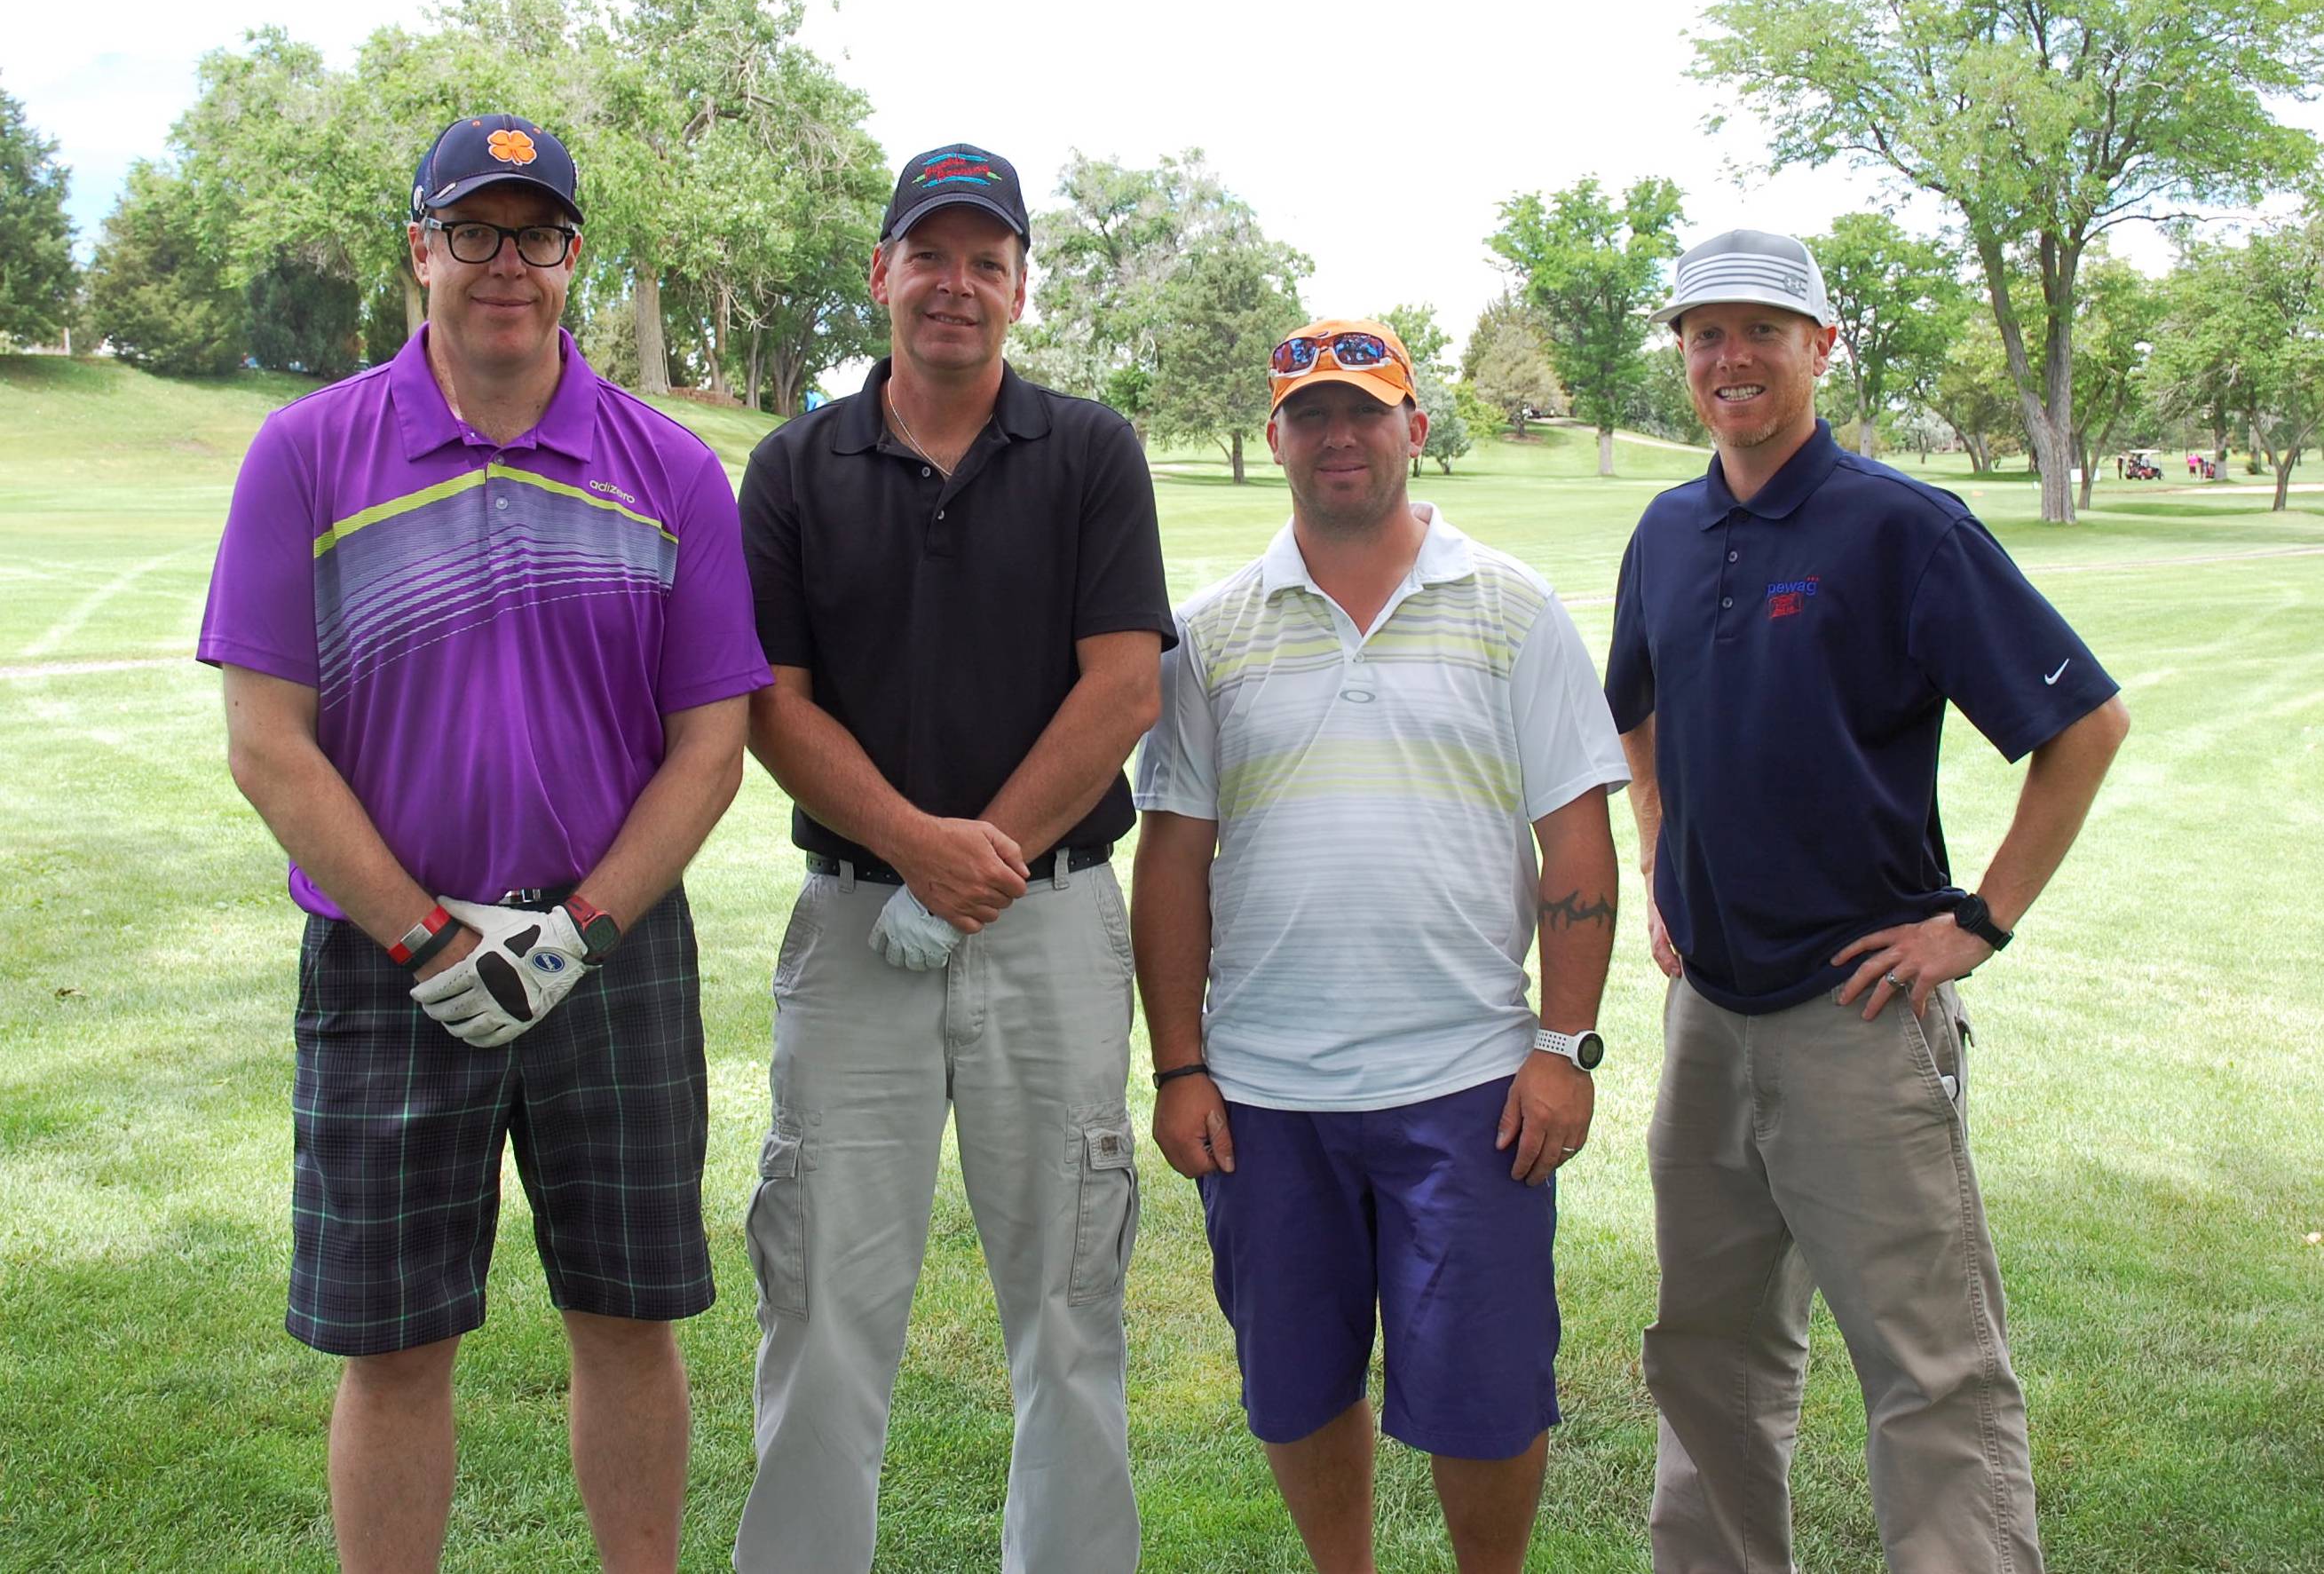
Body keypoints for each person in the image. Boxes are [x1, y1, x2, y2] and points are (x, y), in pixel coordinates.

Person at [199, 112, 769, 1571]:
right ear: (419, 250)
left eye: (537, 234)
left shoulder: (671, 471)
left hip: (614, 958)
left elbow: (711, 746)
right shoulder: (308, 453)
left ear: (573, 258)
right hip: (389, 962)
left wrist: (578, 929)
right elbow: (270, 741)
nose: (504, 264)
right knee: (394, 1348)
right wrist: (427, 938)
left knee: (627, 1321)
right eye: (472, 231)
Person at [1608, 229, 2131, 1573]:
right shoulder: (1666, 528)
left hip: (1859, 1019)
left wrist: (1979, 918)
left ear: (1819, 347)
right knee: (1705, 1355)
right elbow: (1641, 712)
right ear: (1681, 354)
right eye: (1704, 333)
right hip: (1706, 1024)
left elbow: (2083, 723)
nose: (1729, 358)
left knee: (1930, 1369)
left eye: (1761, 332)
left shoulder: (1899, 526)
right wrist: (1661, 862)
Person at [732, 141, 1171, 1574]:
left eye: (987, 261)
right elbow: (770, 704)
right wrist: (915, 845)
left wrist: (977, 857)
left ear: (1021, 289)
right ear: (881, 274)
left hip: (1049, 931)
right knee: (821, 1300)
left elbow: (1121, 688)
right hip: (854, 928)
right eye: (931, 254)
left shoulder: (1091, 451)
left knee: (1066, 1299)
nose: (956, 286)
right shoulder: (795, 465)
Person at [1132, 319, 1631, 1573]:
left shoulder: (1512, 608)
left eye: (1364, 411)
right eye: (1311, 416)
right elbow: (1173, 861)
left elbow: (1574, 839)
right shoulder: (1209, 631)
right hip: (1263, 1093)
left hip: (1467, 1085)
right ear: (1275, 439)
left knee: (1488, 1388)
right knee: (1293, 1384)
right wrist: (1179, 1064)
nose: (1337, 437)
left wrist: (1562, 1044)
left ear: (1414, 429)